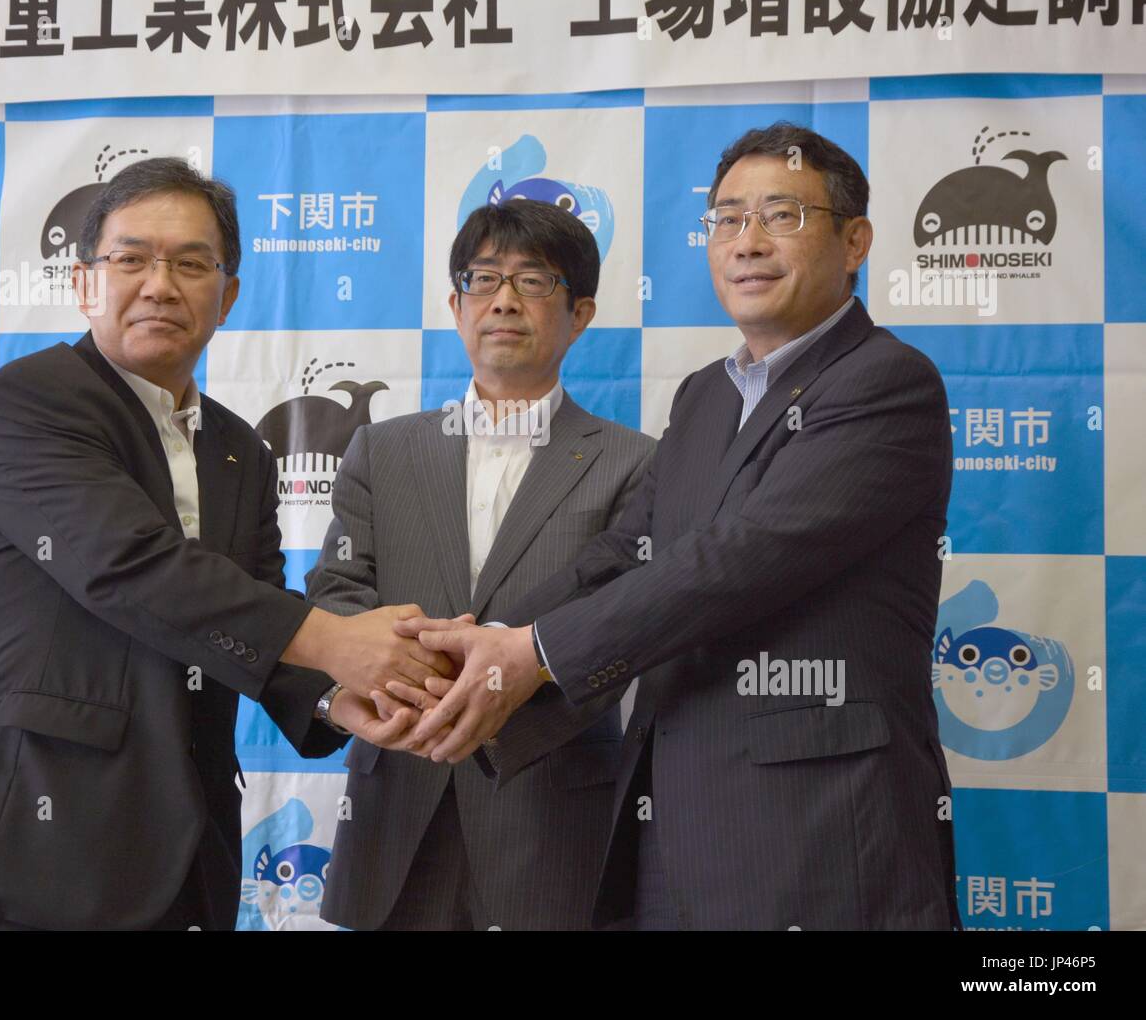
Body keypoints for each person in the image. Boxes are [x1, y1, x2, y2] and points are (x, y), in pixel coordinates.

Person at [393, 123, 961, 930]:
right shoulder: (704, 396)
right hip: (666, 820)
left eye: (782, 217)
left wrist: (532, 655)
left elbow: (740, 562)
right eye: (726, 219)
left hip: (822, 828)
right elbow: (622, 557)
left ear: (855, 240)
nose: (748, 242)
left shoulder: (887, 383)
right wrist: (468, 651)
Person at [0, 158, 449, 931]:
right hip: (28, 858)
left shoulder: (240, 449)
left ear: (226, 298)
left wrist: (340, 694)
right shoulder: (33, 399)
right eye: (130, 259)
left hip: (187, 862)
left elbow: (251, 605)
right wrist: (335, 641)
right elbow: (127, 568)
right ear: (84, 283)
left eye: (191, 264)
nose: (160, 284)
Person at [305, 200, 654, 930]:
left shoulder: (634, 462)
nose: (504, 300)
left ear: (580, 313)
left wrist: (496, 677)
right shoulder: (383, 449)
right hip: (397, 795)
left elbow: (622, 622)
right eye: (485, 278)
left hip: (552, 810)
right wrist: (415, 683)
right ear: (456, 303)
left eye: (533, 282)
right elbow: (336, 591)